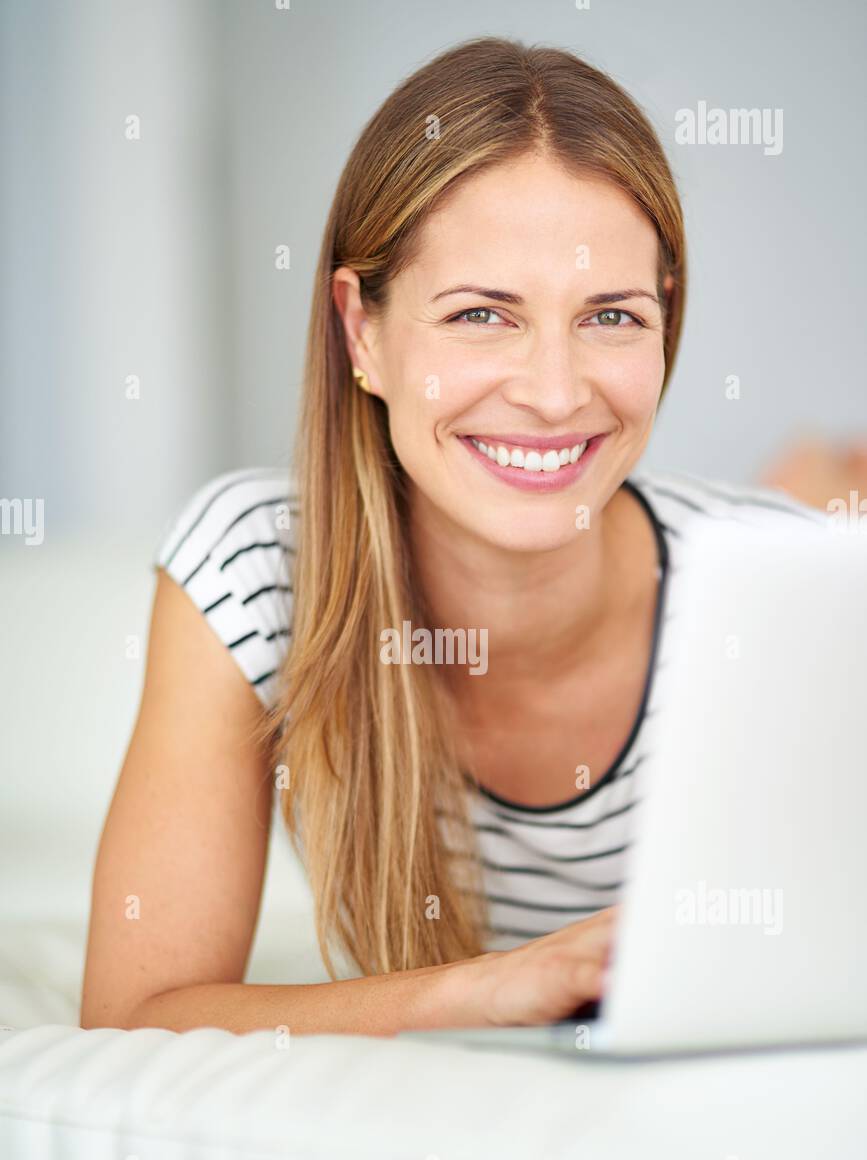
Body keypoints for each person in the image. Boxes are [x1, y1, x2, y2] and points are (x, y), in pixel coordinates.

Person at [80, 36, 831, 1037]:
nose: (557, 393)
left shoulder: (790, 584)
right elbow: (136, 1012)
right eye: (482, 314)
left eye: (611, 316)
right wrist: (489, 987)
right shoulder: (253, 572)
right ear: (365, 332)